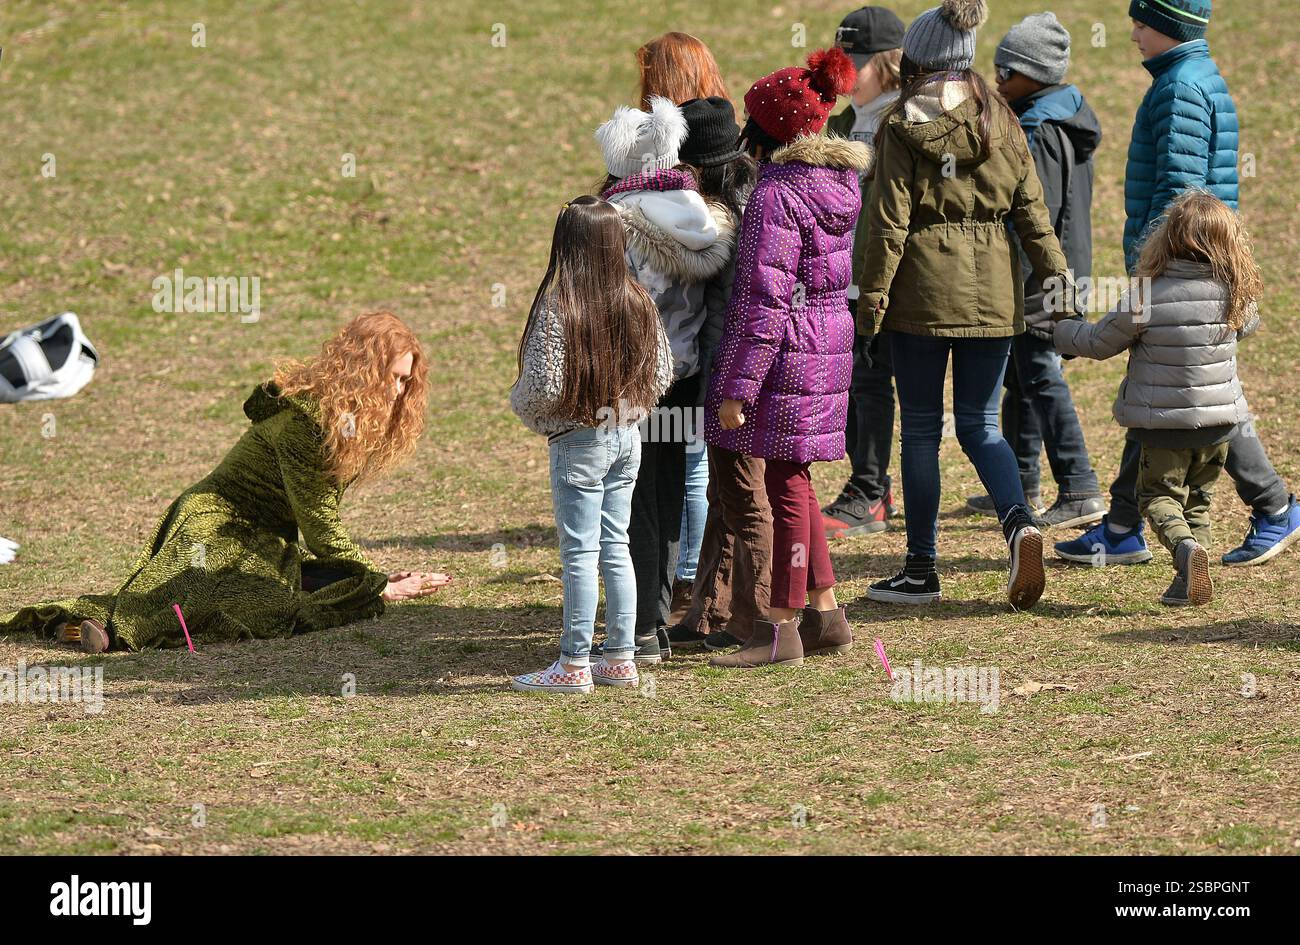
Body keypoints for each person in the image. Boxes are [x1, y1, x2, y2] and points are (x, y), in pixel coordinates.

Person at [1, 312, 447, 651]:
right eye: (393, 378)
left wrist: (368, 578)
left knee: (315, 593)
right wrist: (376, 582)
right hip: (216, 526)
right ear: (362, 371)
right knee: (237, 605)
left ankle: (92, 628)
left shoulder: (340, 420)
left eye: (407, 382)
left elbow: (316, 527)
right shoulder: (307, 423)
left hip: (264, 540)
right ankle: (84, 627)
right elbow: (319, 524)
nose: (398, 392)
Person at [1056, 0, 1300, 568]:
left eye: (1144, 20)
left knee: (1186, 396)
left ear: (1171, 25)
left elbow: (1183, 197)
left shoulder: (1180, 89)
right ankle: (1121, 526)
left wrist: (1155, 269)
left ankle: (1273, 504)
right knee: (1161, 394)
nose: (1133, 30)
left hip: (1180, 266)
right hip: (1195, 265)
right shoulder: (1188, 77)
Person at [856, 0, 1074, 610]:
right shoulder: (1003, 119)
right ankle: (1018, 523)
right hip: (994, 296)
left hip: (920, 297)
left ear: (917, 59)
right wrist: (1059, 288)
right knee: (979, 425)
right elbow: (1034, 216)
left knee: (921, 430)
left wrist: (869, 307)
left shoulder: (900, 124)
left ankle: (921, 570)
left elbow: (888, 224)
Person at [704, 47, 866, 668]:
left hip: (788, 349)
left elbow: (763, 303)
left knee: (786, 486)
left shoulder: (775, 197)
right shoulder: (838, 183)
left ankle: (780, 627)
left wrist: (736, 388)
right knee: (795, 476)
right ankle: (826, 615)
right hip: (828, 340)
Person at [1053, 191, 1261, 605]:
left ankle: (1186, 551)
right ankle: (1191, 579)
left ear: (1167, 238)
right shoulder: (1234, 293)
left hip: (1165, 425)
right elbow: (1247, 325)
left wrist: (1059, 330)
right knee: (1197, 501)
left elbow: (1099, 341)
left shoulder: (1147, 296)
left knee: (1157, 498)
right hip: (1221, 426)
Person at [509, 196, 673, 693]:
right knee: (615, 545)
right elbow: (664, 372)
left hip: (578, 440)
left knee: (579, 553)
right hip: (627, 436)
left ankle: (573, 663)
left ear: (568, 245)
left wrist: (529, 412)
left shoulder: (560, 307)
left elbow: (541, 385)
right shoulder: (637, 299)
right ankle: (621, 656)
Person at [594, 97, 736, 662]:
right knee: (673, 493)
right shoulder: (700, 216)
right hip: (685, 376)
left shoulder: (617, 221)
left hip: (635, 380)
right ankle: (664, 609)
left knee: (633, 502)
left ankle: (641, 626)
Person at [963, 12, 1105, 529]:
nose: (997, 80)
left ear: (1036, 74)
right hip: (1057, 273)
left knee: (1042, 374)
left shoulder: (1040, 131)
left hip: (1041, 279)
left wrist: (1011, 280)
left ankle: (1081, 486)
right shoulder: (1056, 116)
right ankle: (1022, 483)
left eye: (1006, 71)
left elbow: (1033, 217)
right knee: (1022, 377)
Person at [632, 33, 736, 628]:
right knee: (697, 465)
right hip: (712, 344)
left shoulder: (667, 160)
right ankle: (695, 587)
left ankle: (678, 586)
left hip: (673, 348)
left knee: (673, 471)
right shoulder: (728, 139)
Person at [662, 96, 765, 652]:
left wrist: (724, 390)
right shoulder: (743, 200)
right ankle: (707, 611)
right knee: (726, 498)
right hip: (734, 379)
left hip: (734, 382)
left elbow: (729, 319)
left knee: (743, 500)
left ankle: (751, 618)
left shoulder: (726, 220)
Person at [821, 5, 907, 539]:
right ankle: (870, 484)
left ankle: (870, 490)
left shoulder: (906, 121)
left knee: (874, 383)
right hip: (843, 280)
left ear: (889, 62)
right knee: (854, 383)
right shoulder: (840, 125)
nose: (844, 75)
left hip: (893, 281)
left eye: (857, 62)